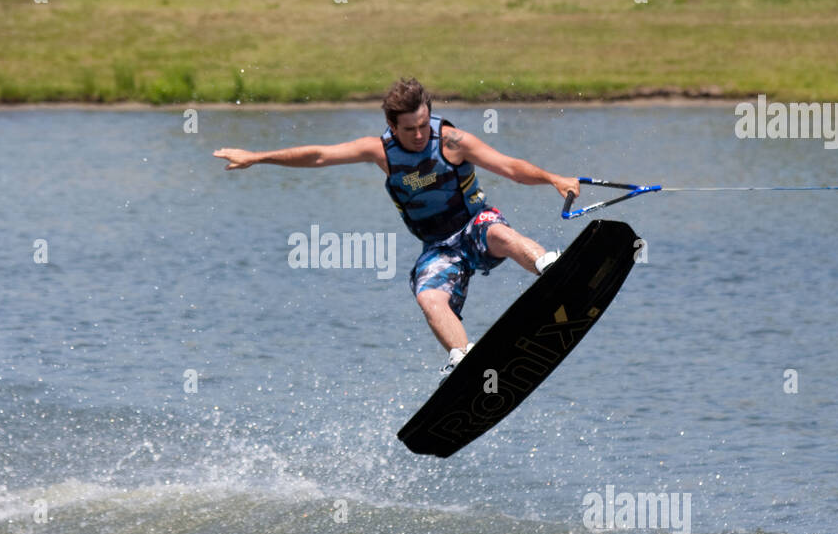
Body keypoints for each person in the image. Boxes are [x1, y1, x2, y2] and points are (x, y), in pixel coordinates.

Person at [214, 77, 582, 379]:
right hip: (438, 247)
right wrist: (257, 157)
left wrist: (553, 178)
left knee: (499, 234)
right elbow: (320, 155)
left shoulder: (453, 142)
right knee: (428, 297)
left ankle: (552, 270)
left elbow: (511, 168)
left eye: (424, 125)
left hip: (474, 224)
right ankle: (465, 359)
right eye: (410, 129)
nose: (420, 135)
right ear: (392, 125)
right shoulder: (380, 150)